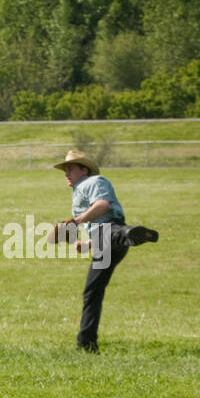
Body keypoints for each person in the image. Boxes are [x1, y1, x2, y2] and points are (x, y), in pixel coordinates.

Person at [51, 150, 159, 353]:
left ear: (84, 169)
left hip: (110, 231)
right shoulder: (78, 190)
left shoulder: (94, 181)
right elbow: (97, 226)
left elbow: (103, 205)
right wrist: (87, 244)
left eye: (71, 168)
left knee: (113, 232)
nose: (66, 173)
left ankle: (129, 234)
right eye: (65, 169)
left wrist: (77, 221)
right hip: (103, 240)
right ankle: (87, 344)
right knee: (92, 292)